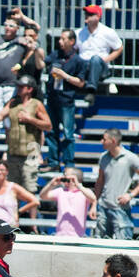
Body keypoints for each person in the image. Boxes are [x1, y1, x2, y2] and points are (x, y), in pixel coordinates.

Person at [0, 74, 49, 189]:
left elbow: (48, 126)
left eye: (21, 86)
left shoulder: (36, 105)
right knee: (13, 189)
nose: (18, 88)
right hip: (13, 154)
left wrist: (30, 119)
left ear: (29, 89)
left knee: (29, 188)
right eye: (18, 86)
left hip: (30, 155)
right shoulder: (13, 103)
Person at [91, 128, 139, 239]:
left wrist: (130, 195)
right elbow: (100, 181)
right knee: (99, 242)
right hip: (104, 207)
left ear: (113, 141)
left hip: (120, 208)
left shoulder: (130, 157)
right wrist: (94, 204)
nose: (101, 142)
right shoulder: (103, 157)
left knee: (123, 244)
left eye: (104, 139)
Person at [43, 28, 86, 170]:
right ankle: (53, 162)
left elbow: (81, 82)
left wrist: (65, 75)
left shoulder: (78, 61)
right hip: (52, 98)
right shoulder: (55, 55)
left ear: (72, 41)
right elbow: (42, 63)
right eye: (59, 39)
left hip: (66, 101)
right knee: (51, 131)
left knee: (68, 134)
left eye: (63, 39)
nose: (60, 41)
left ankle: (69, 163)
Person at [39, 168, 95, 238]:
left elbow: (93, 198)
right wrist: (51, 184)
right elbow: (42, 196)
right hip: (60, 235)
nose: (64, 178)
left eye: (66, 176)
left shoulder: (84, 193)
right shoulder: (60, 191)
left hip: (77, 237)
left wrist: (78, 184)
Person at [0, 160, 38, 230]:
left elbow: (35, 201)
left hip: (10, 227)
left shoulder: (13, 187)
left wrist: (19, 211)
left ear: (7, 172)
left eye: (2, 170)